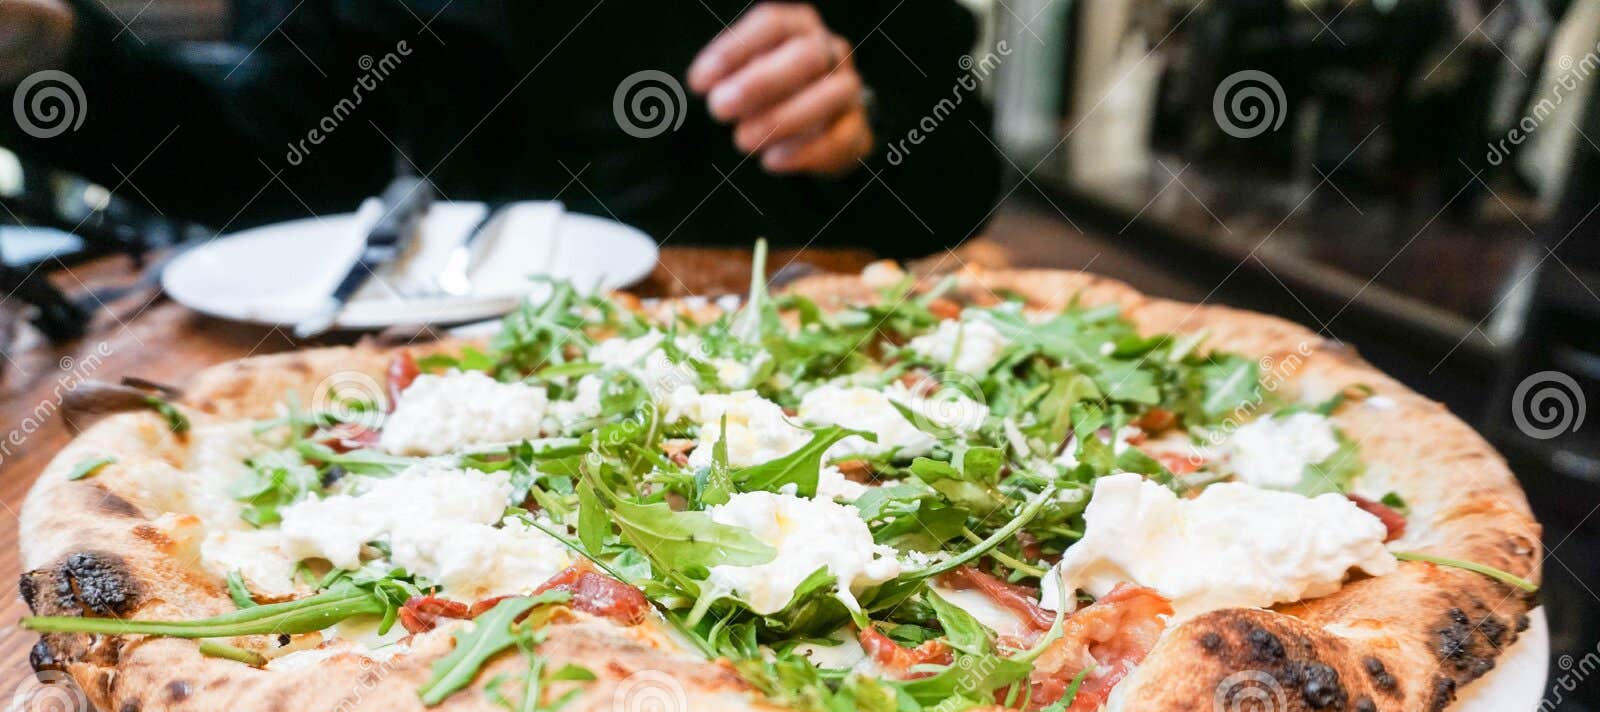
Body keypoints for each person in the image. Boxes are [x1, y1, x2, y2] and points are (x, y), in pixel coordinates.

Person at [0, 1, 1000, 256]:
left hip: (788, 374)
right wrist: (47, 53)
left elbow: (958, 176)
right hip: (423, 390)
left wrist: (863, 126)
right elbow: (262, 169)